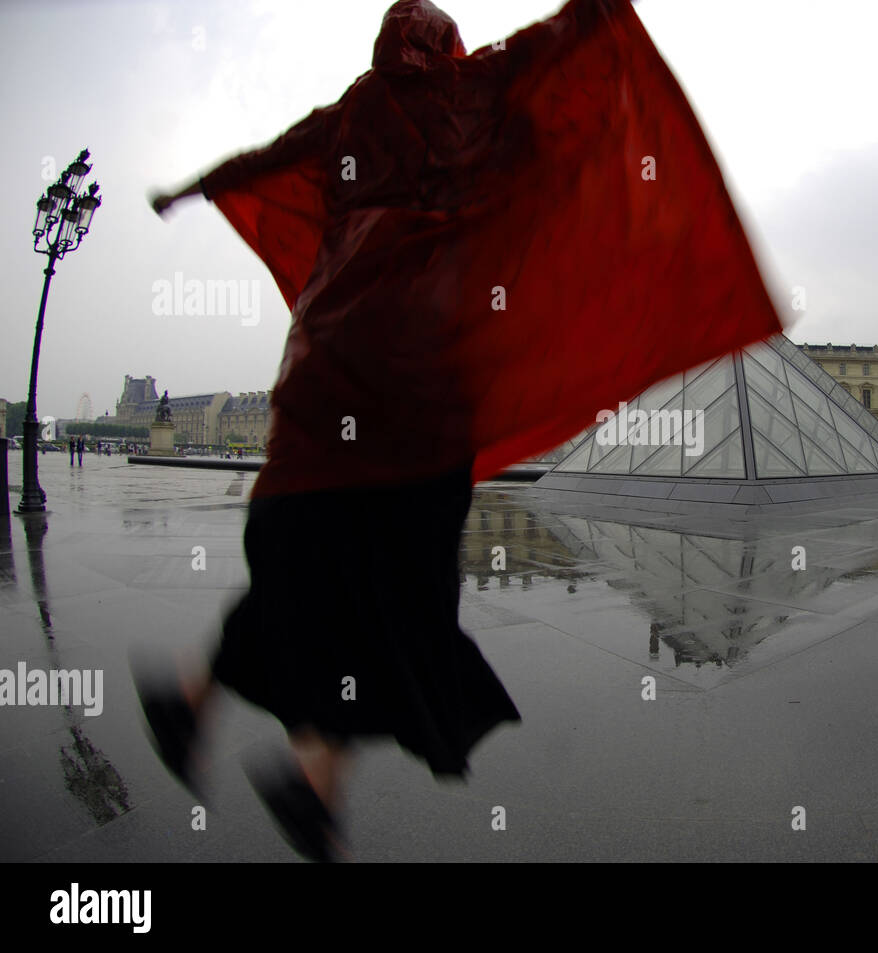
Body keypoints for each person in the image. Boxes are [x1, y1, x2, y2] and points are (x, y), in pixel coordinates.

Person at [136, 0, 782, 862]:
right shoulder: (472, 91)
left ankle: (217, 711)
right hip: (419, 369)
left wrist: (193, 187)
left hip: (323, 361)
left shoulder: (349, 113)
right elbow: (555, 55)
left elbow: (270, 160)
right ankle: (312, 778)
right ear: (443, 48)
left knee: (303, 544)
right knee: (395, 575)